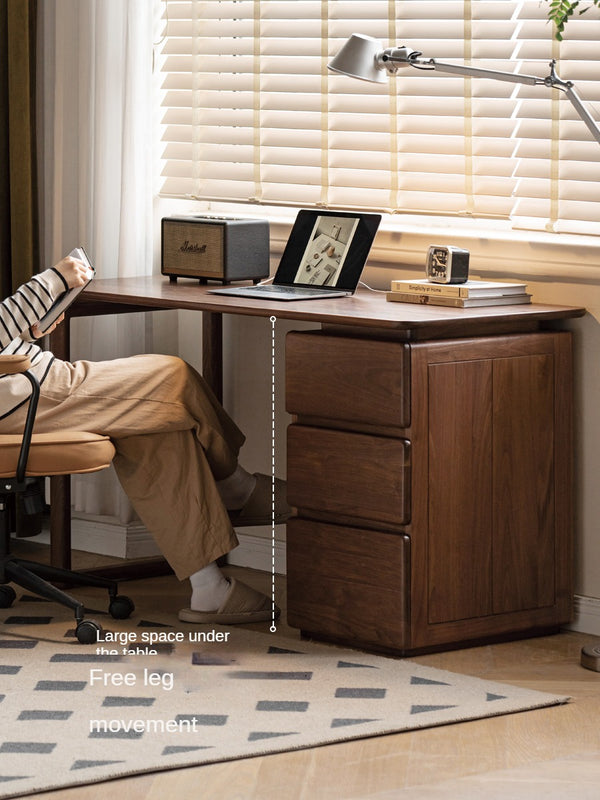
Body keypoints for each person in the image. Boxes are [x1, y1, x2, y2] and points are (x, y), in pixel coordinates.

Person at [0, 255, 290, 624]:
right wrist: (54, 280)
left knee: (153, 424)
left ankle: (208, 587)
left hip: (26, 386)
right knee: (173, 377)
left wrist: (26, 330)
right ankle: (235, 486)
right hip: (26, 394)